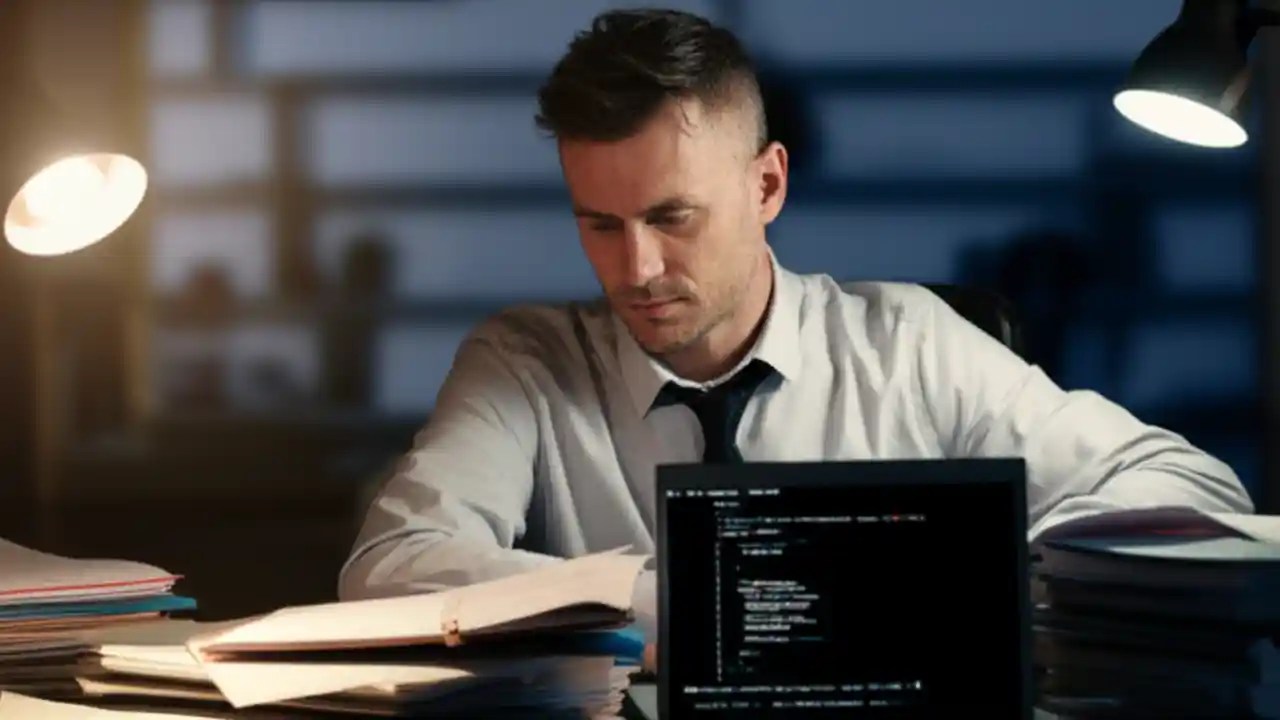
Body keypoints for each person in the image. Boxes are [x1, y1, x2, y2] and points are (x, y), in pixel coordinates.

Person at [337, 7, 1253, 660]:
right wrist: (710, 604)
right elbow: (389, 569)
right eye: (601, 224)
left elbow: (1194, 492)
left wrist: (967, 583)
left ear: (768, 186)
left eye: (673, 217)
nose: (638, 269)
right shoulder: (526, 365)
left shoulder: (912, 347)